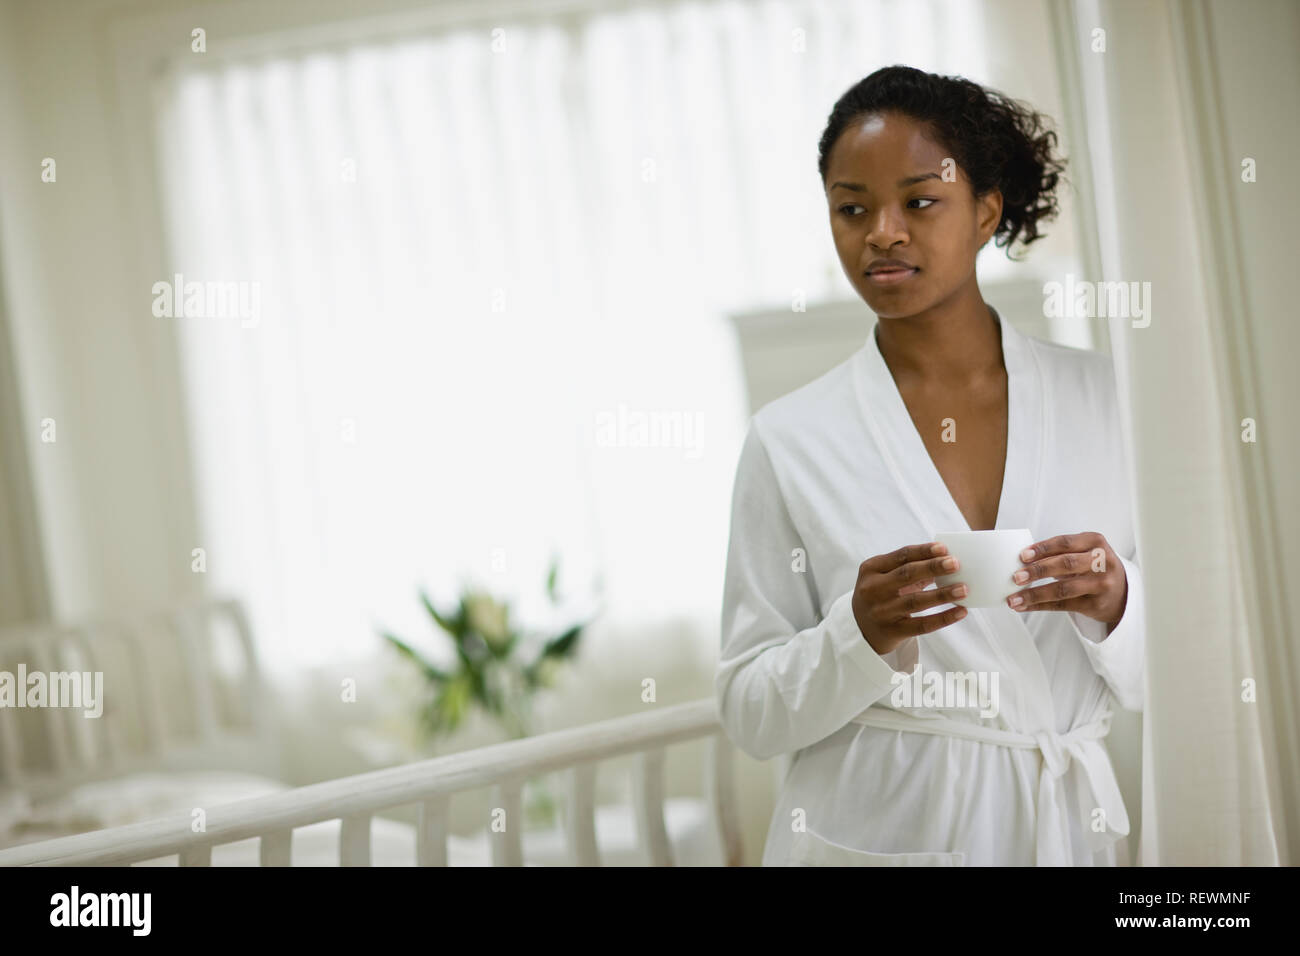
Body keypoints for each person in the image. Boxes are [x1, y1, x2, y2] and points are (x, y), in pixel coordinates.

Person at [715, 65, 1145, 866]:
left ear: (985, 213)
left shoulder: (1107, 402)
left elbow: (1197, 655)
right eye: (852, 207)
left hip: (1061, 825)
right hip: (881, 822)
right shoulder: (790, 440)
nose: (882, 231)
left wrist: (1118, 600)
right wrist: (858, 634)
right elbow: (749, 710)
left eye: (919, 201)